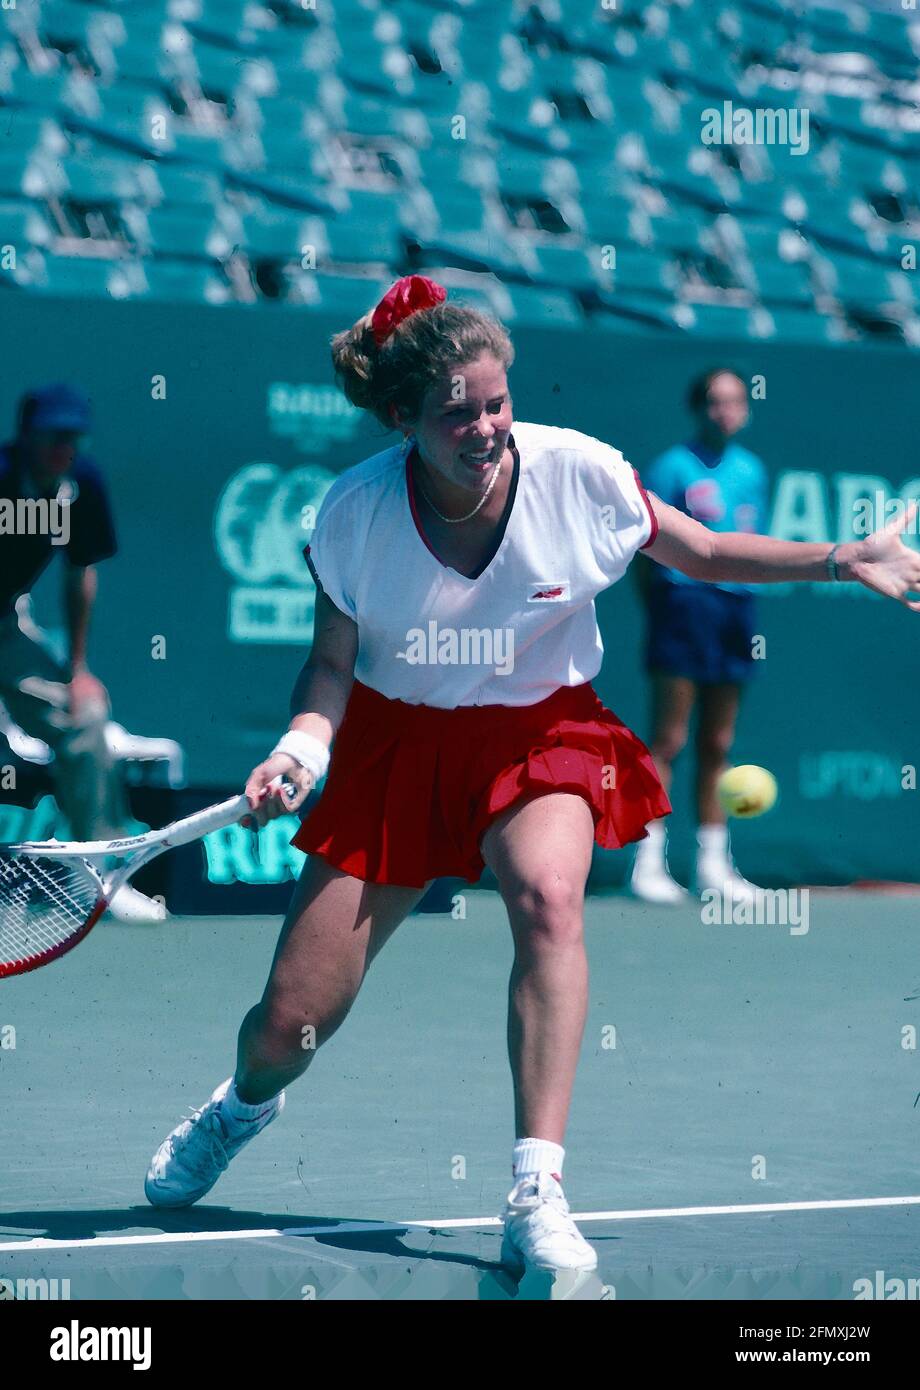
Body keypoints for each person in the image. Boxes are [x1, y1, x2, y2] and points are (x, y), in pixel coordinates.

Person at [145, 277, 920, 1277]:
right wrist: (302, 745)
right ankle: (240, 1105)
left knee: (551, 899)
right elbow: (330, 664)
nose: (484, 427)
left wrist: (836, 557)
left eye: (495, 401)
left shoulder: (578, 474)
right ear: (400, 419)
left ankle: (533, 1190)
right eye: (455, 411)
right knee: (287, 1024)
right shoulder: (351, 515)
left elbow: (705, 549)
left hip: (540, 730)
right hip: (397, 744)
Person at [0, 384, 163, 922]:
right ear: (26, 436)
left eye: (73, 437)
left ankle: (102, 878)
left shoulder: (82, 484)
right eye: (53, 435)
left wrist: (78, 672)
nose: (63, 447)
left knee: (83, 716)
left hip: (5, 623)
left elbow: (79, 573)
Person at [631, 368, 768, 905]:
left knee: (719, 742)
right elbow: (647, 550)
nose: (726, 411)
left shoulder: (753, 470)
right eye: (715, 401)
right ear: (698, 407)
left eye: (735, 402)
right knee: (669, 739)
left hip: (736, 609)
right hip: (683, 606)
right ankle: (646, 863)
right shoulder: (670, 468)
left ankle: (712, 866)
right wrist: (665, 607)